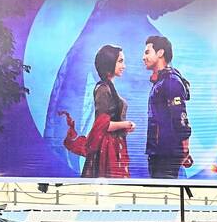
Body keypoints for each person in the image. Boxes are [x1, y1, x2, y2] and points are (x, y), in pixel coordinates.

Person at [59, 43, 134, 178]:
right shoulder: (103, 89)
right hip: (107, 150)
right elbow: (102, 125)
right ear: (110, 63)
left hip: (113, 145)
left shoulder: (108, 87)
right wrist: (125, 124)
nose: (124, 66)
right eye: (120, 61)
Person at [143, 34, 192, 179]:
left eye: (147, 52)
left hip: (166, 154)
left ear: (160, 53)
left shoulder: (171, 81)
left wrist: (184, 151)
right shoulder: (161, 82)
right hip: (158, 152)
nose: (143, 57)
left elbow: (181, 119)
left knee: (165, 193)